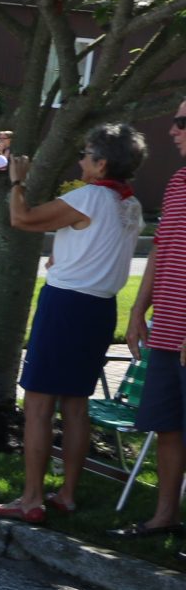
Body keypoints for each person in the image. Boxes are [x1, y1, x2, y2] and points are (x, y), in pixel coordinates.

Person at [0, 123, 147, 523]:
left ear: (102, 164)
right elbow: (97, 248)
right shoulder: (130, 205)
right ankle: (67, 496)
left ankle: (31, 500)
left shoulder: (89, 197)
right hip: (100, 310)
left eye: (86, 155)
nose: (81, 162)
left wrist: (18, 182)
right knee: (76, 405)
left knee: (38, 405)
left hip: (65, 306)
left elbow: (22, 218)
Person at [117, 99, 186, 548]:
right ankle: (164, 518)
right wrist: (138, 310)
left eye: (182, 122)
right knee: (168, 427)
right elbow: (161, 247)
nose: (173, 130)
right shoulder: (178, 182)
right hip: (166, 331)